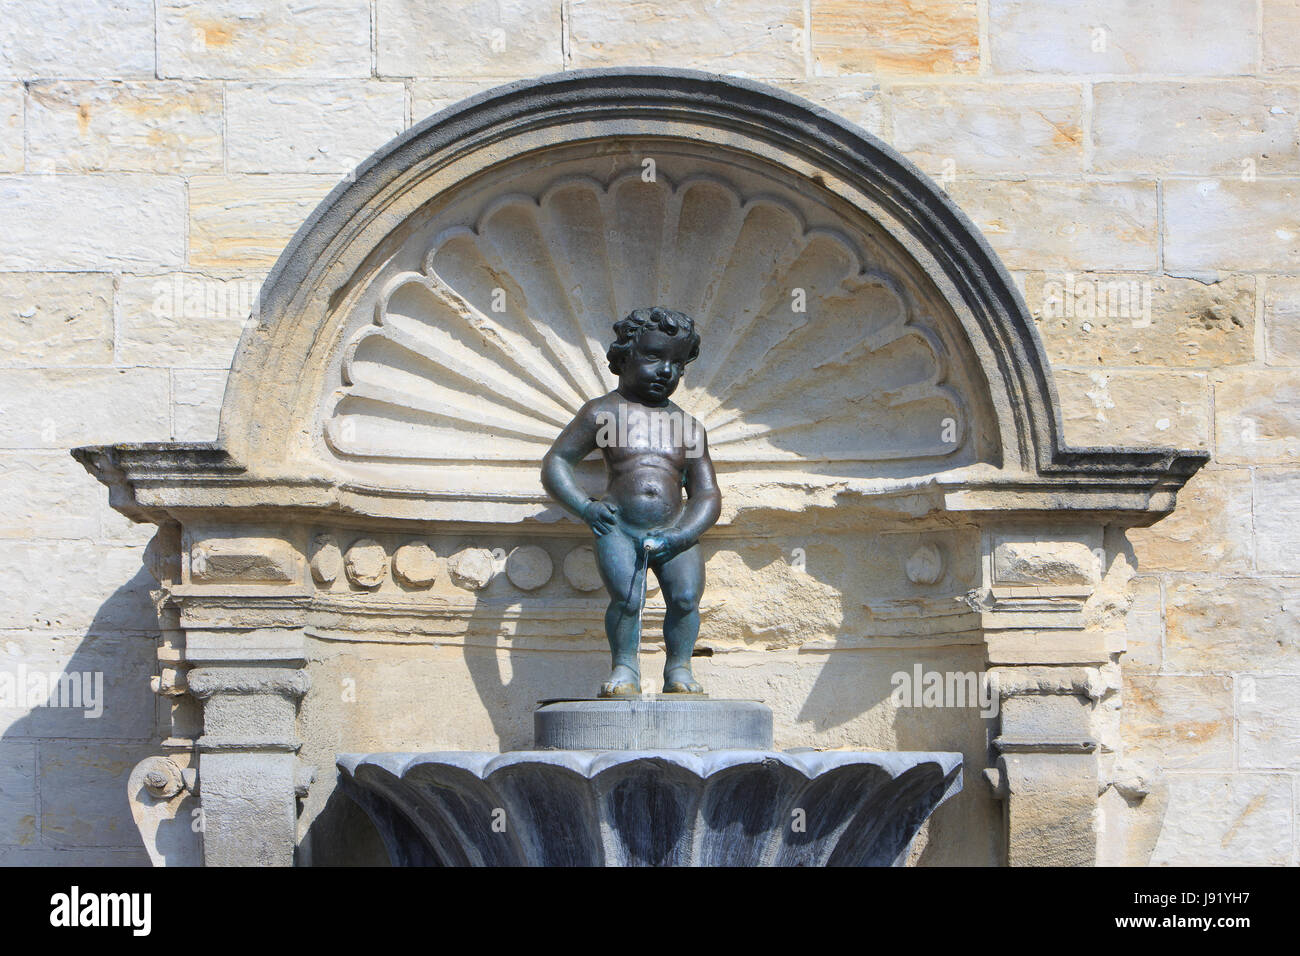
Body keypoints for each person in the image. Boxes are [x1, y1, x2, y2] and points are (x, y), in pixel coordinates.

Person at [542, 307, 722, 697]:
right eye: (654, 357)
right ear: (624, 357)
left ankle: (679, 669)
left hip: (676, 530)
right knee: (626, 598)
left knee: (687, 598)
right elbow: (557, 462)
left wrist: (683, 533)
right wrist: (584, 507)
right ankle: (625, 667)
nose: (666, 371)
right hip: (619, 526)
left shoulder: (688, 427)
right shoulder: (602, 413)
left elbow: (707, 493)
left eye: (677, 363)